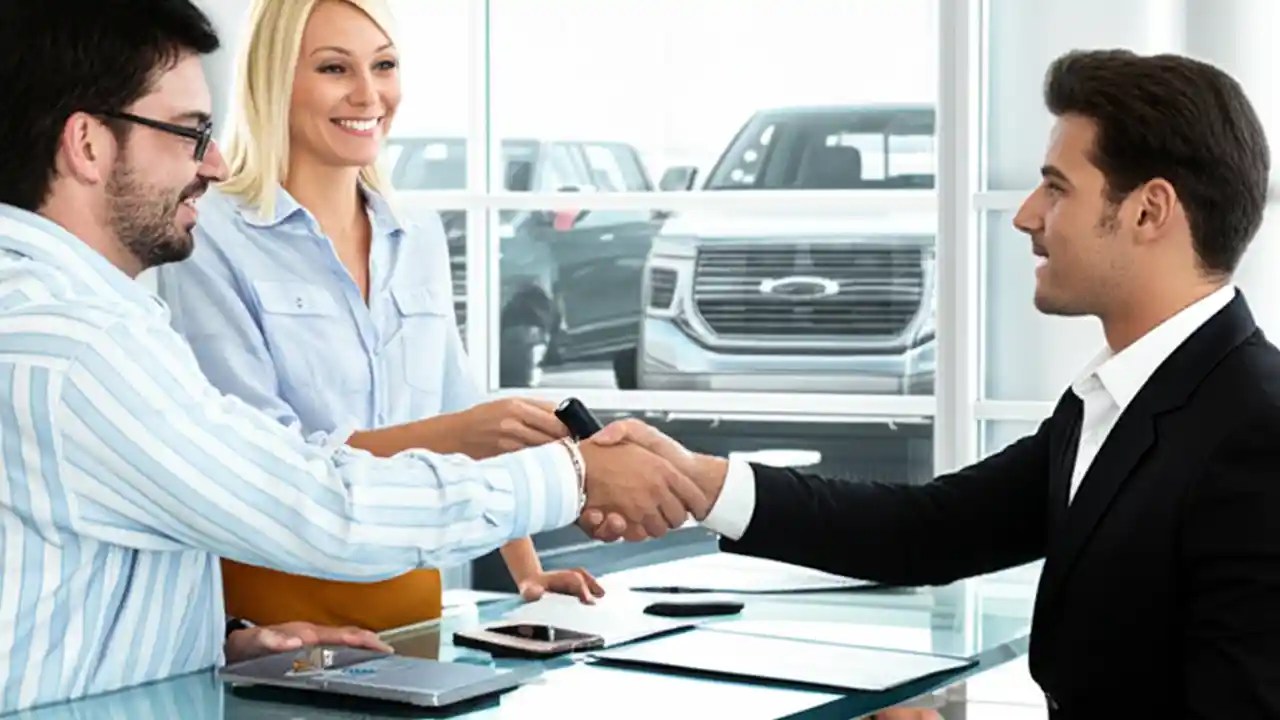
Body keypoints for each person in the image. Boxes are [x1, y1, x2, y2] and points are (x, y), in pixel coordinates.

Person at [0, 0, 706, 712]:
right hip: (310, 563)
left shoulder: (88, 322)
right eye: (189, 134)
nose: (212, 162)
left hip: (372, 602)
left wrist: (219, 637)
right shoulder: (75, 347)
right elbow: (318, 504)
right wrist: (572, 478)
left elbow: (108, 553)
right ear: (87, 145)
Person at [587, 49, 1279, 717]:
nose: (1026, 215)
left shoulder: (1257, 431)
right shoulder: (1112, 401)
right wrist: (698, 481)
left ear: (1149, 211)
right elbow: (929, 530)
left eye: (1058, 187)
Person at [154, 0, 602, 634]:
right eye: (335, 68)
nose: (369, 94)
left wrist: (525, 571)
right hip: (276, 616)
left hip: (413, 604)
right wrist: (469, 430)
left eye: (384, 65)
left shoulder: (415, 234)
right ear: (274, 78)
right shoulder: (210, 235)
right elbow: (266, 462)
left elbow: (457, 404)